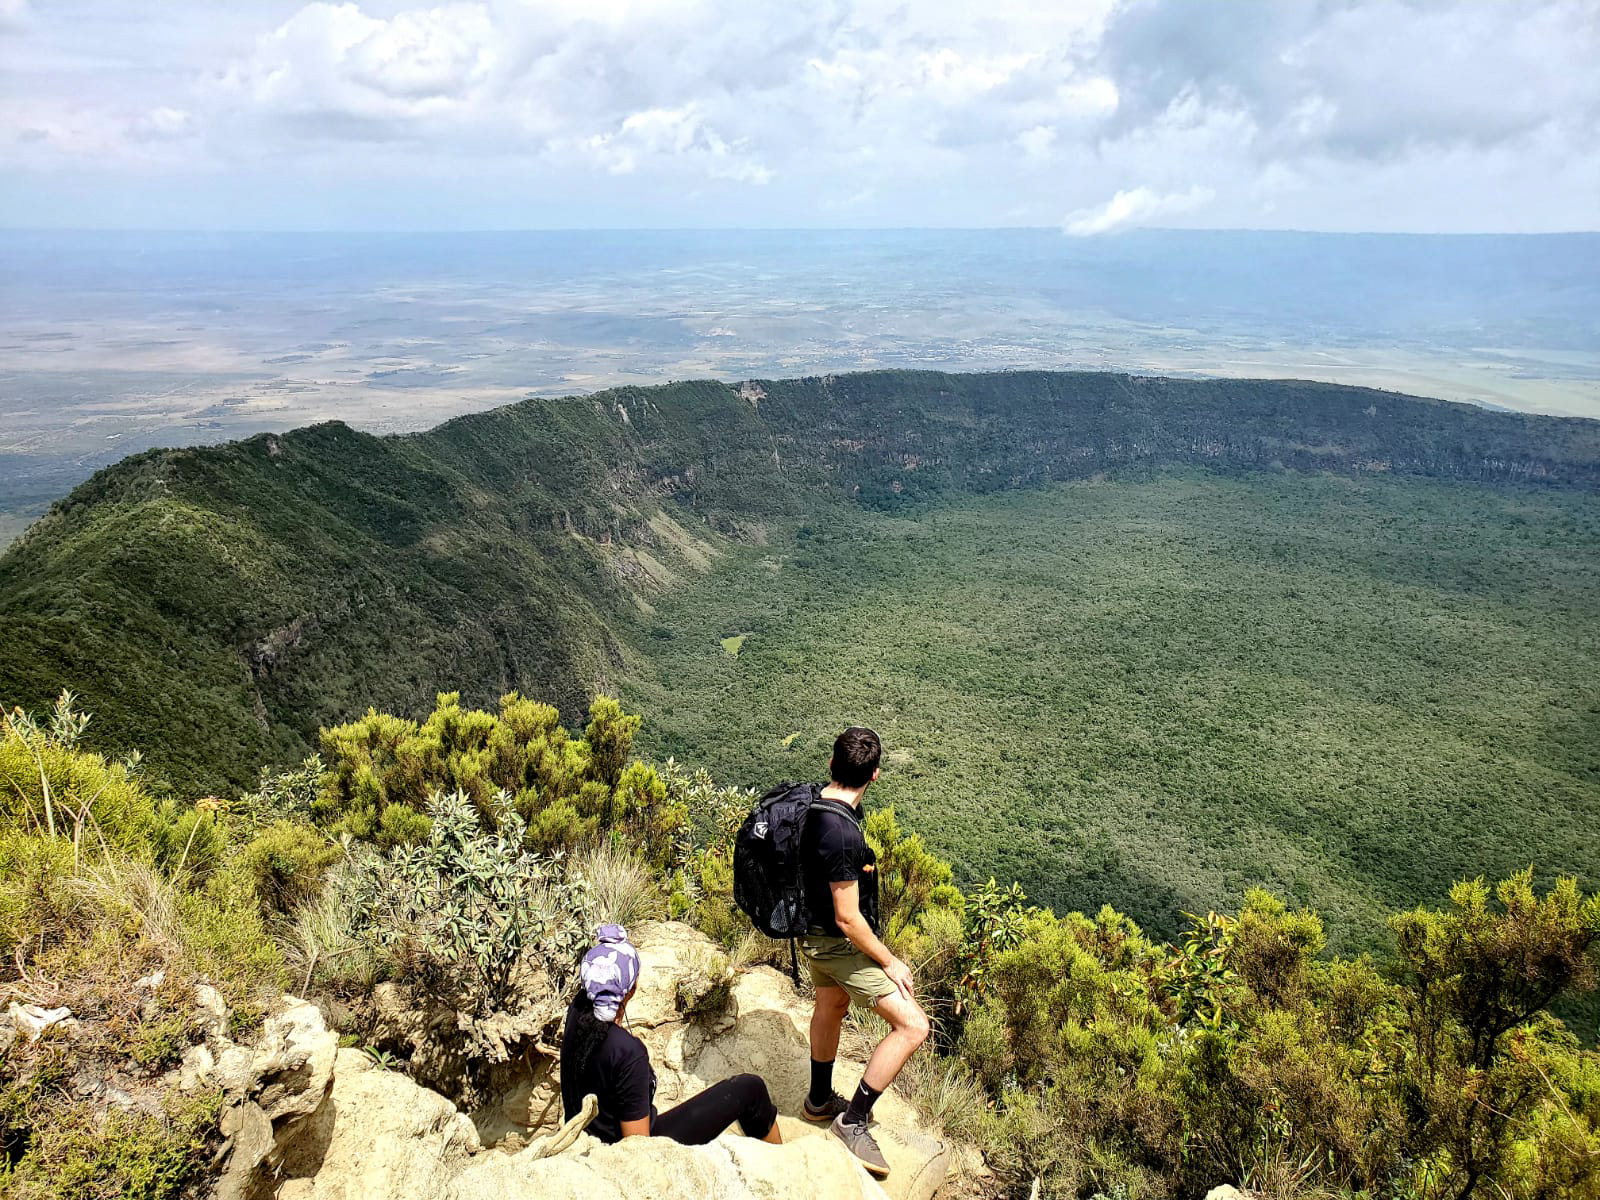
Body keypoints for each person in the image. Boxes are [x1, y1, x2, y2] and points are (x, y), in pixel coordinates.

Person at [800, 726, 931, 1179]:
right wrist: (890, 960)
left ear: (832, 765)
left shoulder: (815, 802)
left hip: (812, 937)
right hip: (835, 944)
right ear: (874, 775)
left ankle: (818, 1100)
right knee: (913, 1025)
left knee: (831, 1003)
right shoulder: (842, 835)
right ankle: (852, 1120)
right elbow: (849, 918)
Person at [560, 924, 782, 1146]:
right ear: (632, 989)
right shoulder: (627, 1052)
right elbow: (637, 1148)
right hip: (625, 1153)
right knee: (750, 1089)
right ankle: (783, 1168)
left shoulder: (576, 1012)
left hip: (586, 1139)